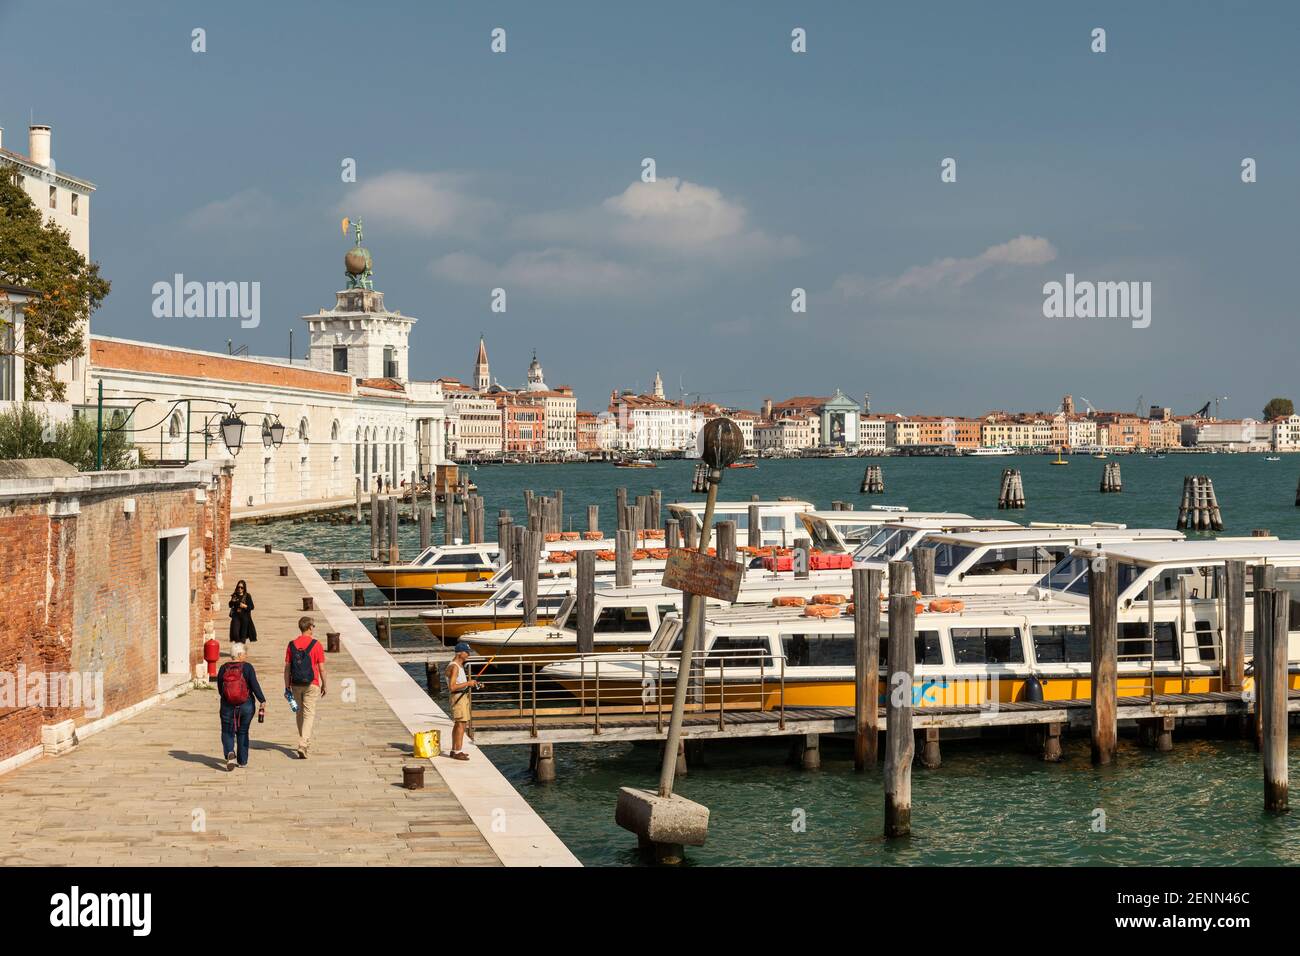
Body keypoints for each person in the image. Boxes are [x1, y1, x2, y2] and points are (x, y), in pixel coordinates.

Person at [217, 643, 266, 771]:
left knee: (227, 731)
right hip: (246, 705)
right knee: (243, 731)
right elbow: (254, 685)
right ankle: (242, 760)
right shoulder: (247, 667)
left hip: (227, 706)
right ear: (239, 654)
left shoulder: (223, 668)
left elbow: (219, 688)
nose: (246, 655)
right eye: (245, 653)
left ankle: (230, 753)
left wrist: (227, 697)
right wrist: (262, 700)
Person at [284, 616, 327, 759]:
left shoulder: (291, 645)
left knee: (299, 712)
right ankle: (303, 743)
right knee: (309, 714)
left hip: (295, 684)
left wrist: (286, 686)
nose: (313, 628)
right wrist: (324, 684)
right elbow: (321, 668)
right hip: (312, 683)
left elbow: (287, 668)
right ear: (309, 627)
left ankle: (304, 740)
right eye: (313, 626)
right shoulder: (316, 644)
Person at [444, 642, 480, 761]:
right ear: (460, 653)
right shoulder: (454, 667)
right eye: (467, 652)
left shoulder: (459, 666)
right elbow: (452, 687)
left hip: (461, 697)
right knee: (461, 724)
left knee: (459, 724)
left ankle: (455, 750)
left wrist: (472, 684)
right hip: (457, 697)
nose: (469, 654)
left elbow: (459, 684)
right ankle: (458, 751)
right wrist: (468, 683)